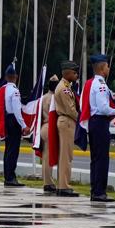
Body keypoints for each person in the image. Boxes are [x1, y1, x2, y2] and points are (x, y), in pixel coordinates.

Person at [87, 55, 115, 202]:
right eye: (107, 66)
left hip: (96, 123)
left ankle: (96, 190)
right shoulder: (100, 85)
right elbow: (103, 108)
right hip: (100, 122)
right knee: (101, 159)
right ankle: (99, 192)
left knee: (96, 158)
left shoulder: (95, 83)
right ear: (101, 68)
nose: (108, 69)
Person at [52, 61, 80, 197]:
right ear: (67, 73)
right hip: (67, 121)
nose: (76, 76)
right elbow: (70, 109)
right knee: (66, 155)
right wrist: (81, 120)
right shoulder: (64, 88)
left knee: (65, 155)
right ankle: (64, 186)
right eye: (74, 73)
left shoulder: (65, 86)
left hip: (66, 121)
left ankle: (62, 185)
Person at [0, 64, 26, 187]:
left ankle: (8, 176)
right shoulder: (15, 91)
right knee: (13, 150)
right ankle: (11, 177)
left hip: (5, 119)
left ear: (6, 77)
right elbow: (17, 110)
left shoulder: (2, 90)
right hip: (13, 120)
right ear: (15, 77)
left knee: (8, 149)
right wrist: (23, 125)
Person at [40, 74, 58, 193]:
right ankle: (49, 183)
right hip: (51, 126)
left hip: (44, 127)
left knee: (46, 156)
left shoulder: (43, 97)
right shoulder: (55, 98)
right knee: (50, 157)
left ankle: (47, 181)